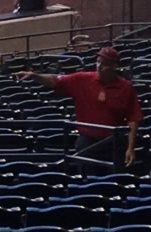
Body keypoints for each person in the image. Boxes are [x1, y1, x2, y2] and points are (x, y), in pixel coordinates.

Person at [13, 46, 142, 169]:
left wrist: (130, 148)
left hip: (114, 143)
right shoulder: (82, 79)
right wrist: (35, 76)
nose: (99, 66)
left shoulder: (126, 88)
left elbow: (133, 118)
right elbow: (55, 81)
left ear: (114, 66)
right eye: (98, 62)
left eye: (105, 64)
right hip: (87, 142)